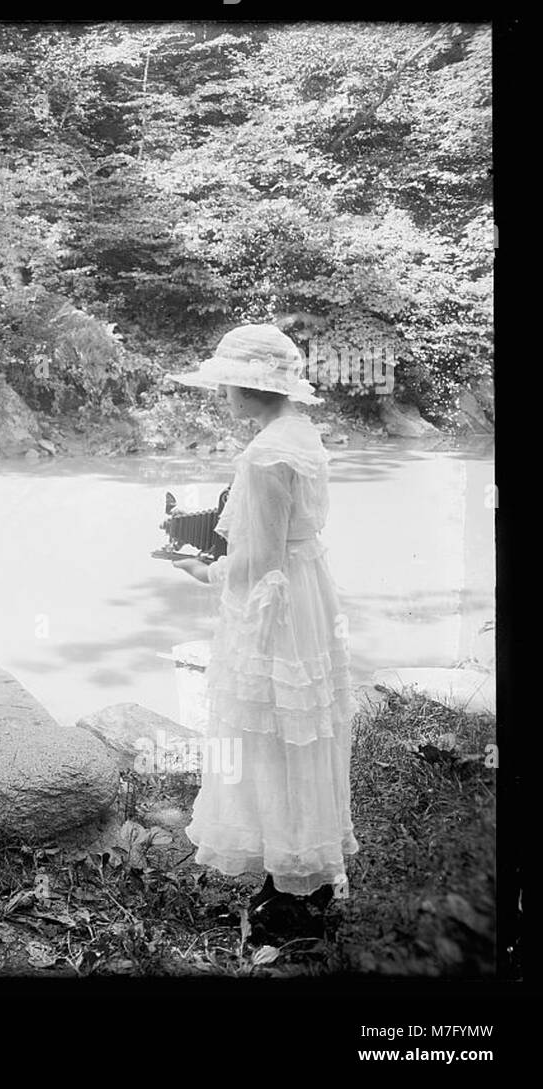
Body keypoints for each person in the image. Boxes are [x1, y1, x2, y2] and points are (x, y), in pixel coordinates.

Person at [166, 324, 357, 932]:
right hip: (307, 591)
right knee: (303, 730)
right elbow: (288, 540)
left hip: (276, 600)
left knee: (272, 731)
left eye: (227, 386)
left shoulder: (264, 454)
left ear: (249, 389)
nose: (222, 397)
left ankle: (292, 886)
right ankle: (305, 871)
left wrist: (204, 569)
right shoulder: (300, 433)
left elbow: (262, 557)